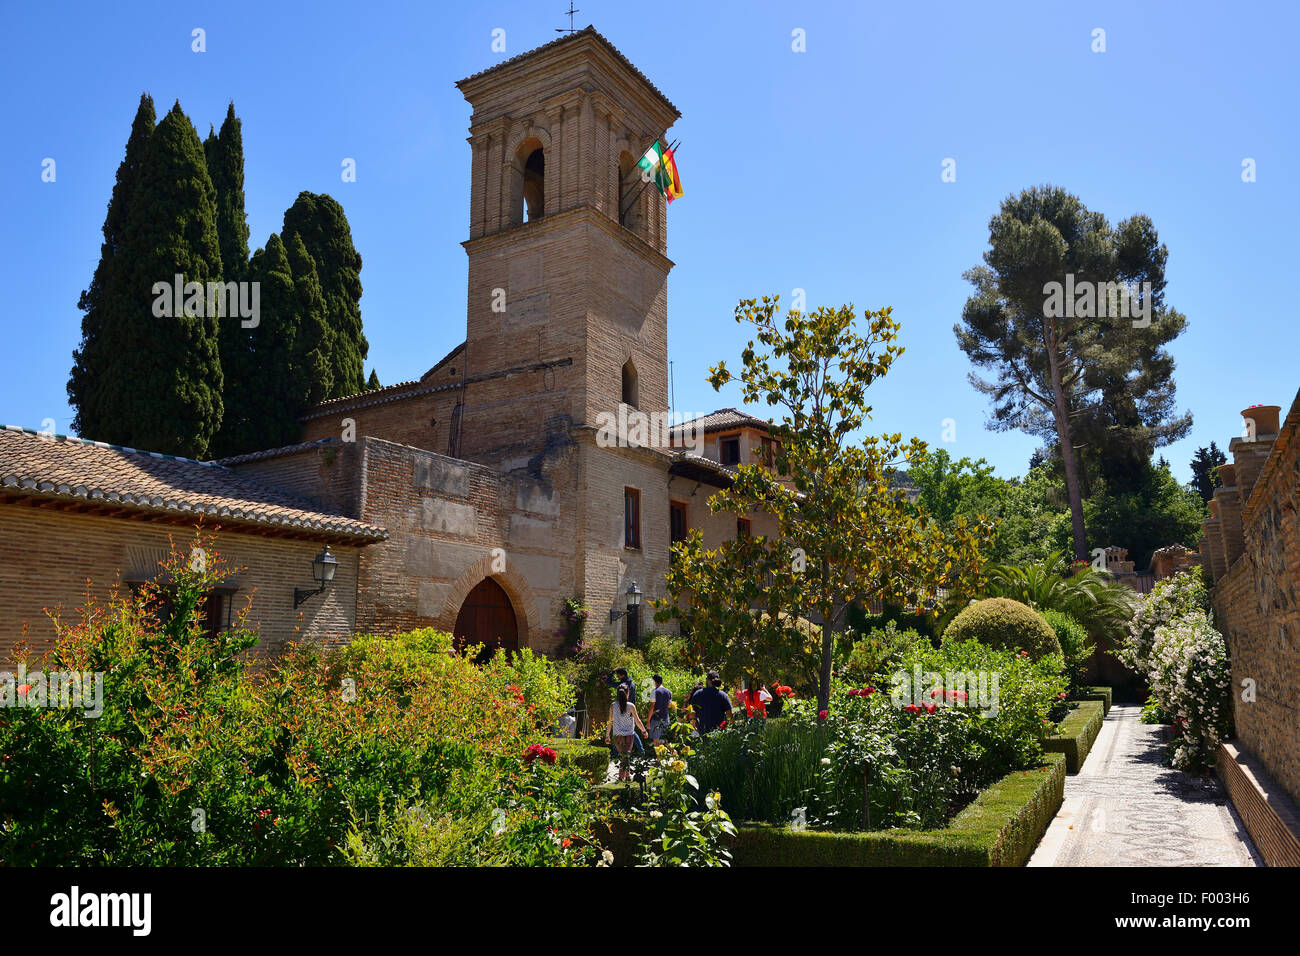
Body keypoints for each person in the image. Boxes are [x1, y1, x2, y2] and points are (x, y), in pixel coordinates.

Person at [605, 685, 648, 782]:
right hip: (629, 735)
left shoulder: (613, 706)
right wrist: (644, 731)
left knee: (624, 757)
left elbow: (610, 722)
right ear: (627, 693)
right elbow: (638, 721)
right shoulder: (631, 706)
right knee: (626, 756)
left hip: (617, 735)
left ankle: (625, 777)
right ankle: (624, 777)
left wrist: (607, 735)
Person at [645, 674, 672, 746]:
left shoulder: (654, 692)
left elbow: (652, 707)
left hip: (656, 718)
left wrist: (648, 721)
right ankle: (673, 755)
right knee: (666, 741)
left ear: (655, 681)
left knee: (656, 742)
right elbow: (669, 705)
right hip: (666, 718)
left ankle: (660, 757)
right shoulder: (668, 691)